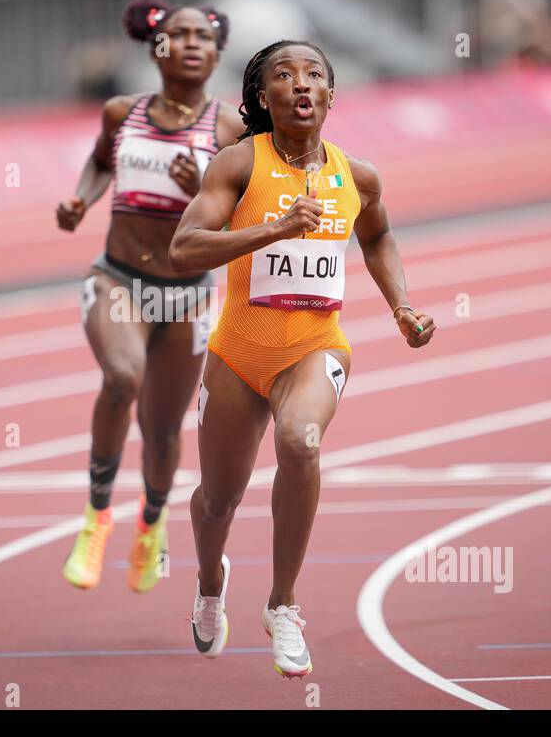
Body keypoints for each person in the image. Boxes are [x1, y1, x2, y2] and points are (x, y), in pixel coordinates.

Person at [169, 40, 435, 677]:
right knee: (217, 501)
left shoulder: (358, 176)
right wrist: (274, 229)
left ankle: (283, 605)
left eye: (314, 74)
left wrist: (401, 304)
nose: (301, 85)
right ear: (265, 98)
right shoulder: (239, 164)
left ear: (332, 94)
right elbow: (184, 249)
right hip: (236, 354)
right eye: (283, 76)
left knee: (301, 442)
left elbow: (380, 236)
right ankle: (210, 583)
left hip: (314, 349)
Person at [56, 0, 245, 592]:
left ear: (217, 55)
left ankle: (153, 523)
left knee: (163, 431)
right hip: (117, 279)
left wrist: (202, 195)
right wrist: (79, 200)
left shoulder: (232, 130)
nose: (191, 44)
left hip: (186, 295)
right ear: (156, 45)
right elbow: (96, 164)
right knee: (122, 377)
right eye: (179, 34)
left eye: (203, 38)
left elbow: (242, 221)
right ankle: (95, 519)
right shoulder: (121, 113)